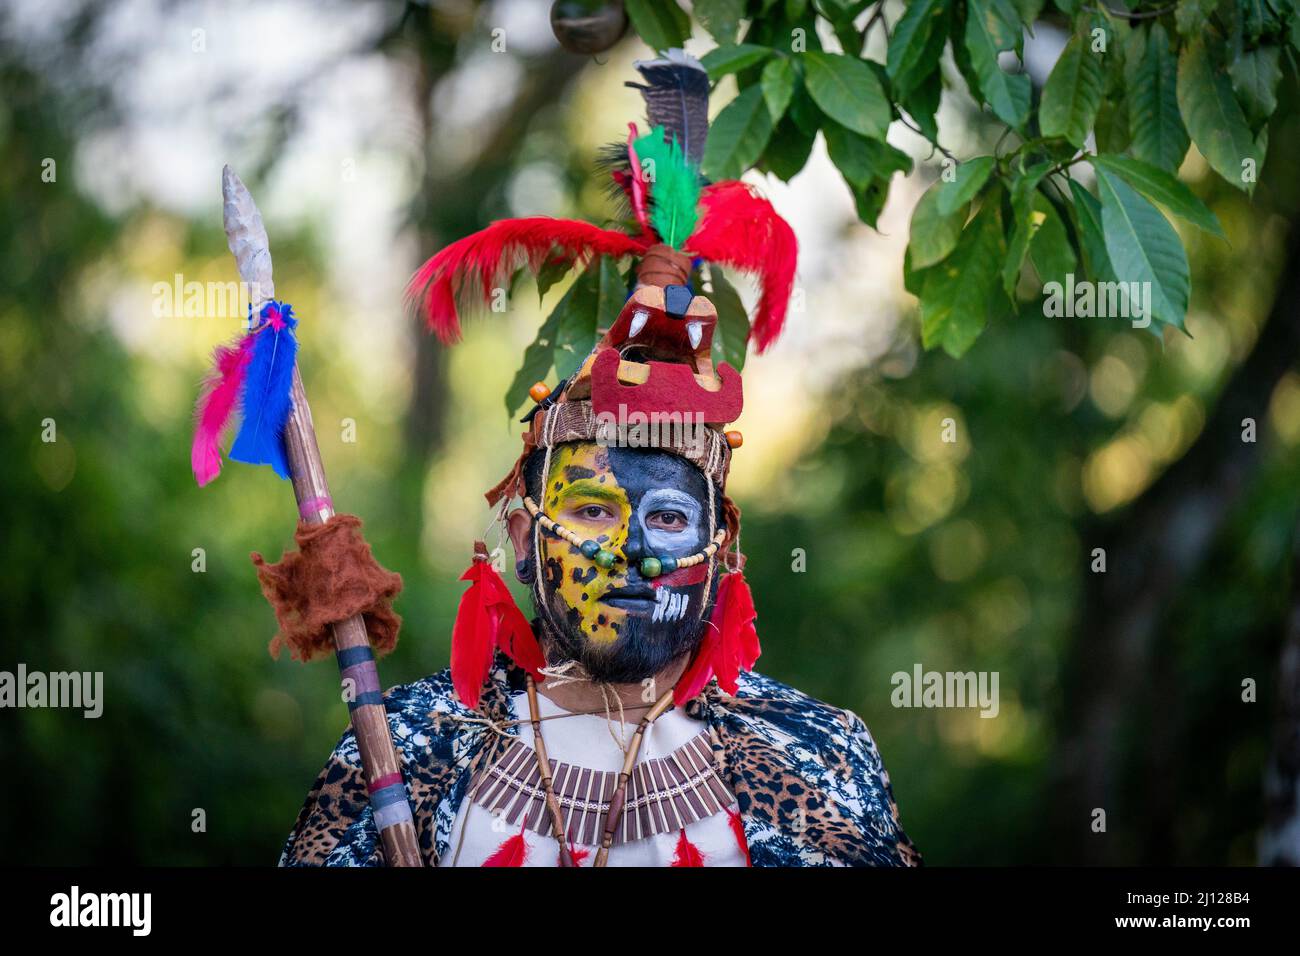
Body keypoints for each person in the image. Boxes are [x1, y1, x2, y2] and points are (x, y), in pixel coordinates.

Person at [278, 51, 917, 868]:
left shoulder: (820, 759)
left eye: (672, 518)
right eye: (591, 510)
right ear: (520, 535)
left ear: (724, 551)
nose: (636, 552)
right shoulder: (402, 749)